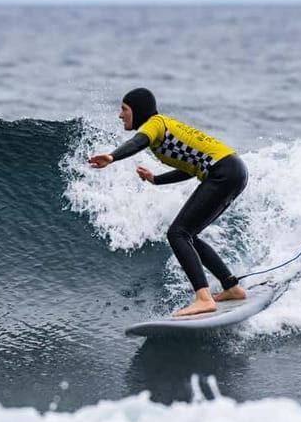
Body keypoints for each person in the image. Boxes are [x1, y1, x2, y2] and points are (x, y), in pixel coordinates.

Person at [88, 88, 248, 317]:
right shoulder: (164, 126)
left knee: (178, 234)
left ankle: (203, 298)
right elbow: (190, 168)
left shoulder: (153, 124)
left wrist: (112, 157)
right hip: (232, 170)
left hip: (222, 172)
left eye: (124, 109)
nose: (120, 115)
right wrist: (155, 179)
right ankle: (231, 287)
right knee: (189, 235)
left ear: (138, 110)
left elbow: (137, 142)